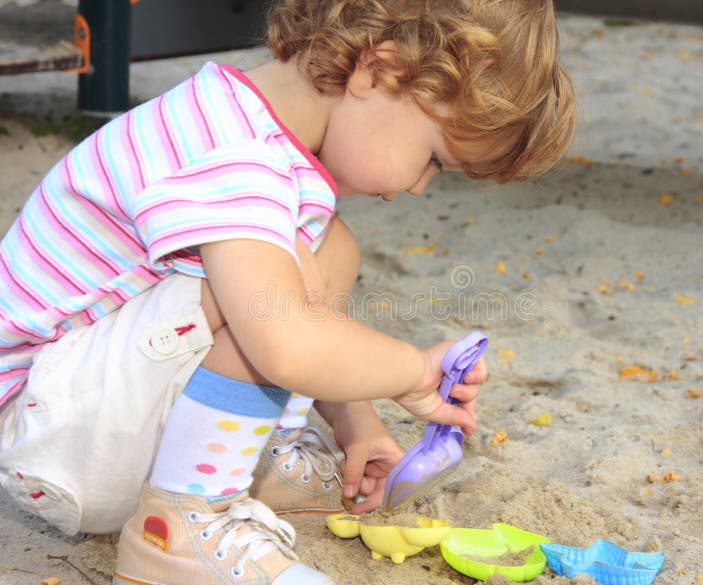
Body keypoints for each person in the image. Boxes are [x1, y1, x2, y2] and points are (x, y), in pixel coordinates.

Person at [0, 0, 575, 582]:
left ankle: (257, 458)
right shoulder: (234, 157)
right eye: (431, 160)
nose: (418, 187)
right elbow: (285, 342)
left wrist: (356, 422)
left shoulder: (247, 130)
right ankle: (185, 521)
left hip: (87, 406)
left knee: (326, 247)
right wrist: (411, 370)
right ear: (378, 70)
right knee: (281, 285)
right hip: (46, 434)